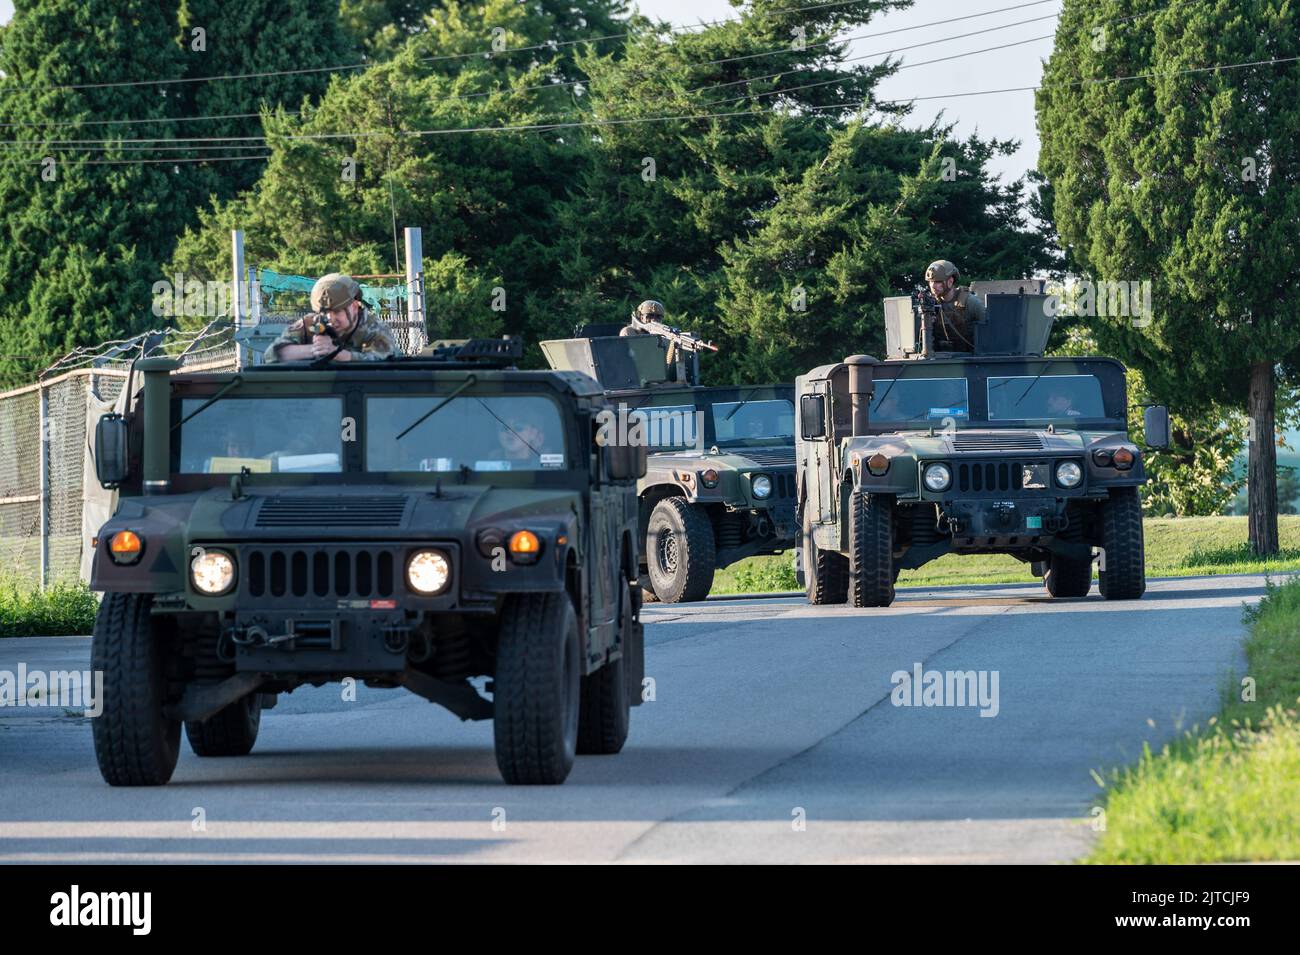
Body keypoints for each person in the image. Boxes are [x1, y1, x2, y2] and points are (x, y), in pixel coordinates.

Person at [265, 273, 400, 363]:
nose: (330, 318)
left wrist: (337, 354)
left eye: (337, 312)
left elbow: (382, 358)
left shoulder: (374, 328)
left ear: (354, 306)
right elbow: (271, 354)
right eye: (324, 312)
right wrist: (314, 350)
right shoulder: (309, 324)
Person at [924, 260, 985, 352]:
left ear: (950, 281)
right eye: (930, 282)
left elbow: (988, 333)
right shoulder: (930, 305)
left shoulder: (971, 303)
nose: (933, 286)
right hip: (940, 358)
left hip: (969, 359)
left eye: (938, 282)